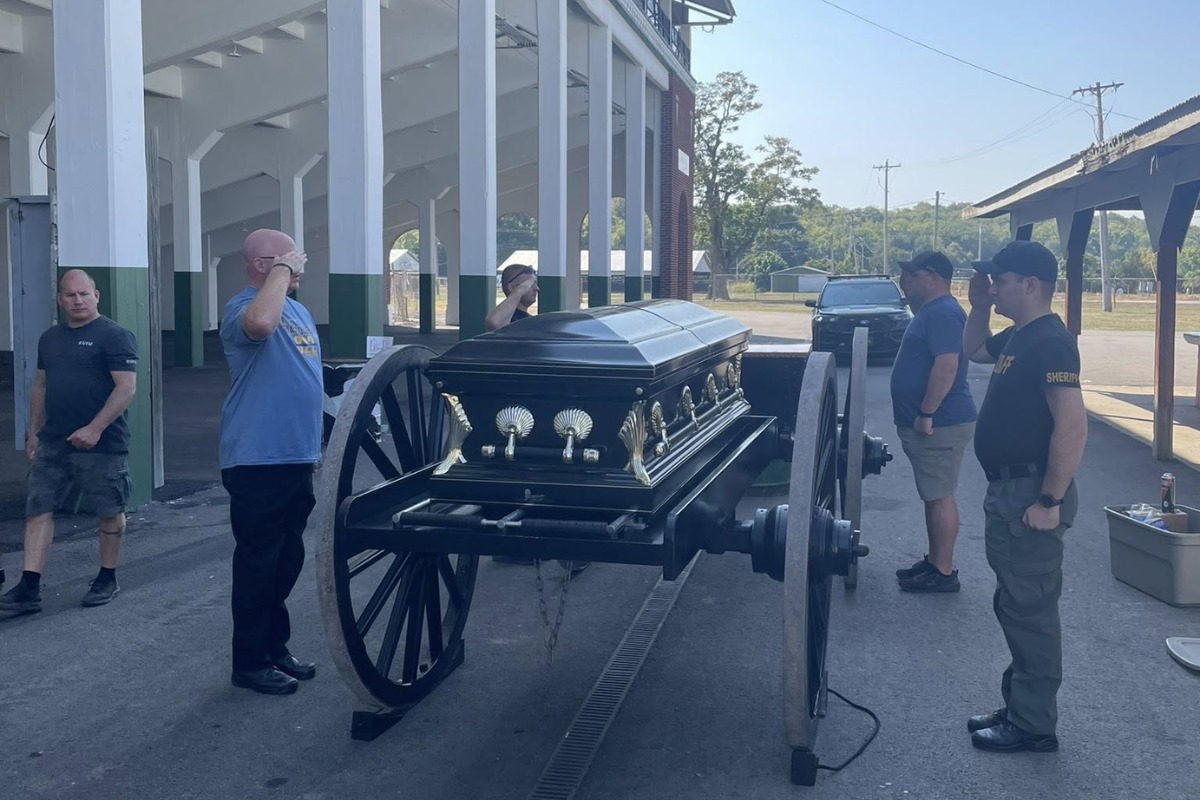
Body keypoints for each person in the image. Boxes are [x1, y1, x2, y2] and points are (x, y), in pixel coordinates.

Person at [962, 240, 1087, 753]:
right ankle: (1019, 704)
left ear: (1030, 284)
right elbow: (974, 350)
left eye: (1000, 280)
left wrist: (1049, 501)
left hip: (1031, 494)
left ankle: (1033, 724)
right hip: (1012, 491)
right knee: (1016, 604)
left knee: (1030, 611)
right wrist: (978, 307)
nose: (993, 288)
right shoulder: (1020, 334)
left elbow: (1071, 426)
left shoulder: (1050, 341)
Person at [219, 229, 322, 696]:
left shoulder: (297, 310)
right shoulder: (242, 308)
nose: (299, 266)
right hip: (257, 458)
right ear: (263, 264)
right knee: (258, 563)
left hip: (295, 455)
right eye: (288, 260)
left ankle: (274, 647)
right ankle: (249, 662)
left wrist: (313, 448)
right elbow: (260, 325)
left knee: (286, 560)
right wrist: (282, 268)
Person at [0, 269, 138, 616]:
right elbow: (41, 385)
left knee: (109, 512)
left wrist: (95, 428)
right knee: (38, 511)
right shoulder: (50, 339)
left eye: (83, 294)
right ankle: (29, 587)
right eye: (70, 295)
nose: (77, 301)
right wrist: (34, 431)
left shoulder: (115, 335)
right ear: (60, 300)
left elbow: (126, 388)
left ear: (96, 296)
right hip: (54, 442)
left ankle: (107, 578)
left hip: (103, 444)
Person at [892, 251, 977, 593]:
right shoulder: (932, 310)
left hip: (940, 423)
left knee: (940, 496)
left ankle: (943, 572)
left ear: (935, 277)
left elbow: (947, 365)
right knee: (933, 494)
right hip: (936, 422)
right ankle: (935, 561)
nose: (905, 280)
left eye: (913, 275)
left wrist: (927, 412)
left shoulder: (942, 312)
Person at [485, 264, 539, 331]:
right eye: (529, 284)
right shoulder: (507, 319)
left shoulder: (529, 319)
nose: (536, 288)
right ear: (512, 287)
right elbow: (494, 321)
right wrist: (520, 291)